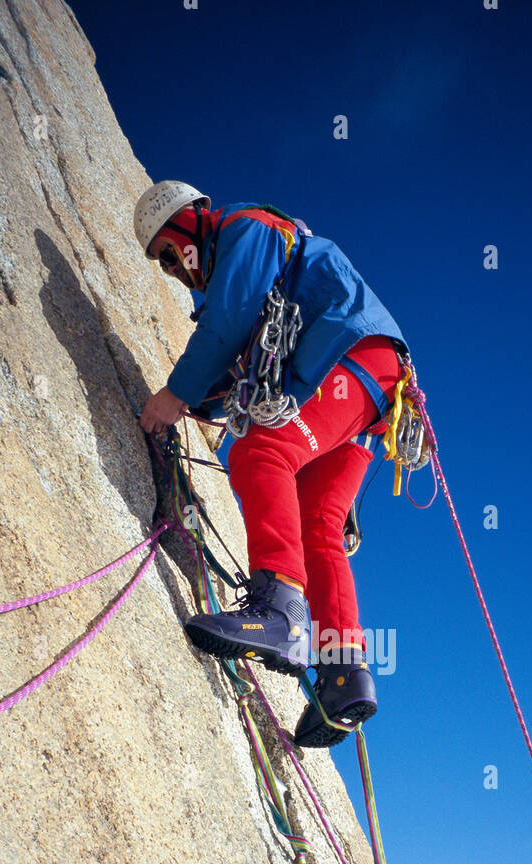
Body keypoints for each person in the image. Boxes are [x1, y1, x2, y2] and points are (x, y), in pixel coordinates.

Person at [135, 180, 409, 747]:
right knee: (318, 526)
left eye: (167, 250)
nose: (172, 267)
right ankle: (343, 672)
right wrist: (202, 397)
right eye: (162, 264)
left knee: (262, 450)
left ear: (190, 221)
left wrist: (172, 396)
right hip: (366, 388)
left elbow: (230, 321)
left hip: (349, 357)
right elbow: (230, 368)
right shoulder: (237, 264)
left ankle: (280, 610)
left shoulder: (246, 229)